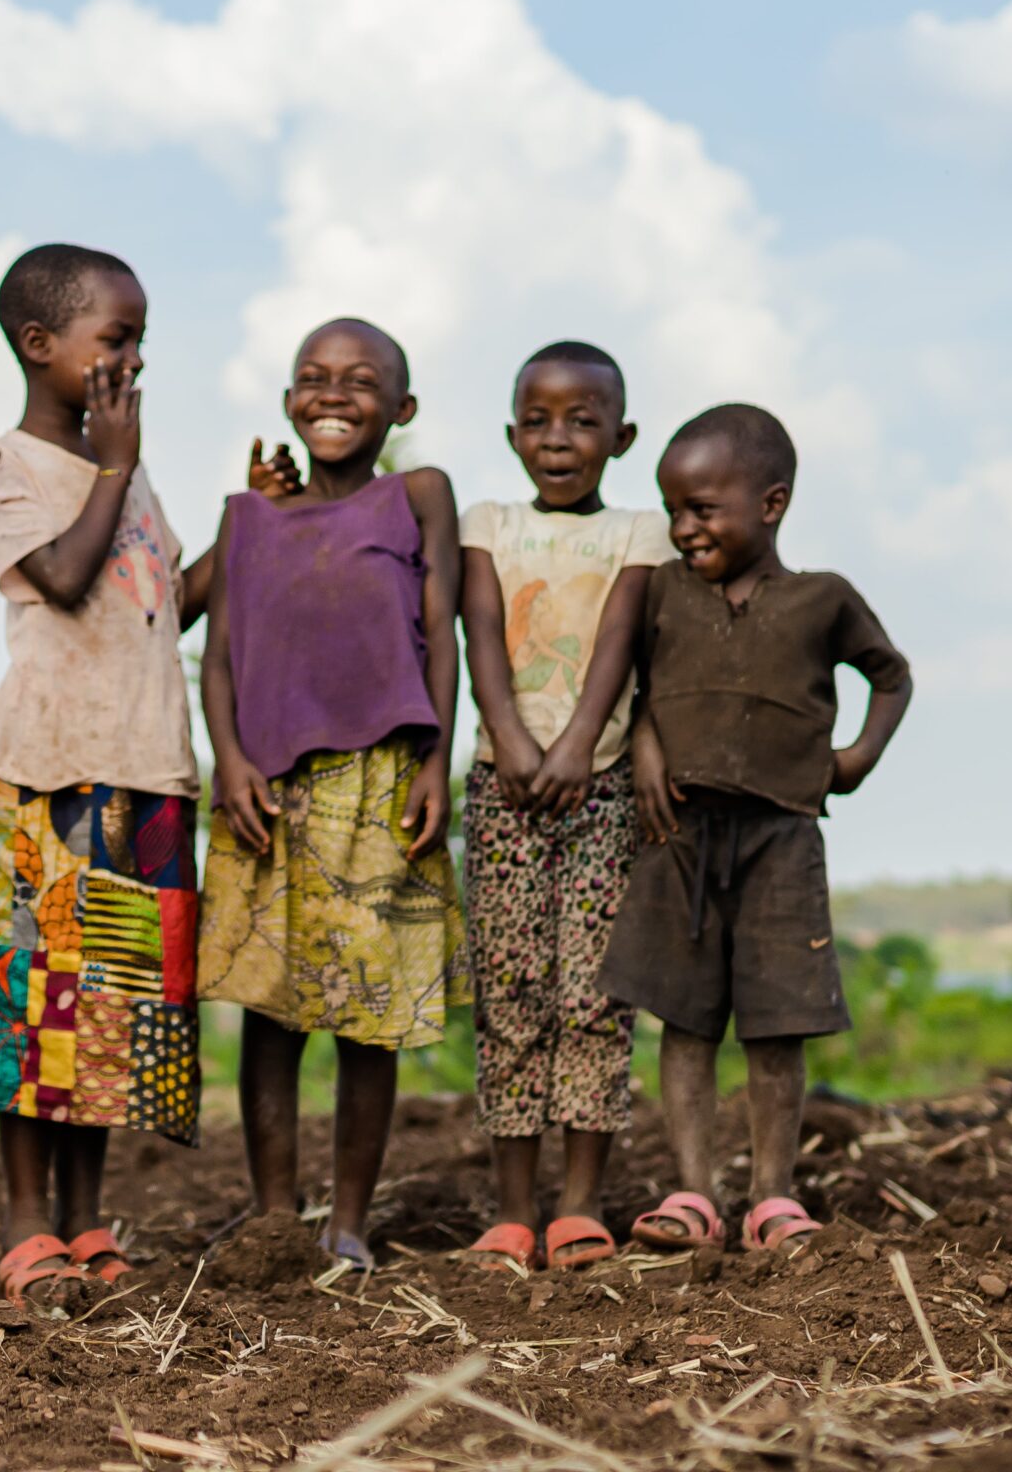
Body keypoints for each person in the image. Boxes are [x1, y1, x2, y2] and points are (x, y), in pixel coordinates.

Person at [0, 244, 291, 1306]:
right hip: (47, 771)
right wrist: (115, 462)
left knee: (110, 1016)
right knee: (35, 1002)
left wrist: (246, 519)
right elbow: (66, 578)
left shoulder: (127, 474)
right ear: (41, 347)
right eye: (114, 338)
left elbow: (169, 598)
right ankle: (27, 1220)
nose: (131, 359)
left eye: (137, 341)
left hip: (145, 774)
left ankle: (88, 1219)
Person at [599, 404, 909, 1253]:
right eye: (673, 510)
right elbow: (632, 682)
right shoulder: (664, 591)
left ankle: (774, 1198)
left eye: (703, 509)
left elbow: (892, 676)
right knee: (685, 1020)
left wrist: (858, 756)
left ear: (770, 504)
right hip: (681, 835)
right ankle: (694, 1194)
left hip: (782, 838)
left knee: (778, 1025)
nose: (682, 528)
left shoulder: (822, 600)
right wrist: (648, 753)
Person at [196, 317, 469, 1271]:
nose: (333, 395)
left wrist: (438, 758)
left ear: (402, 410)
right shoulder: (247, 518)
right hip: (267, 791)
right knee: (268, 1014)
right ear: (286, 403)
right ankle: (277, 1217)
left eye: (360, 382)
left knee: (371, 1015)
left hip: (381, 783)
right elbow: (219, 659)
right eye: (312, 378)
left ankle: (348, 1223)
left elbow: (444, 631)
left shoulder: (420, 495)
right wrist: (227, 759)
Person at [455, 342, 674, 1272]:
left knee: (593, 997)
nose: (559, 438)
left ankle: (579, 1204)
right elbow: (482, 639)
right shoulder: (489, 523)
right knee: (510, 997)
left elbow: (621, 640)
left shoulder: (639, 530)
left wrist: (581, 743)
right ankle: (513, 1210)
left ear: (620, 437)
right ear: (512, 434)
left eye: (583, 421)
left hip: (604, 788)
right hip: (502, 790)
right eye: (539, 420)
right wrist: (509, 739)